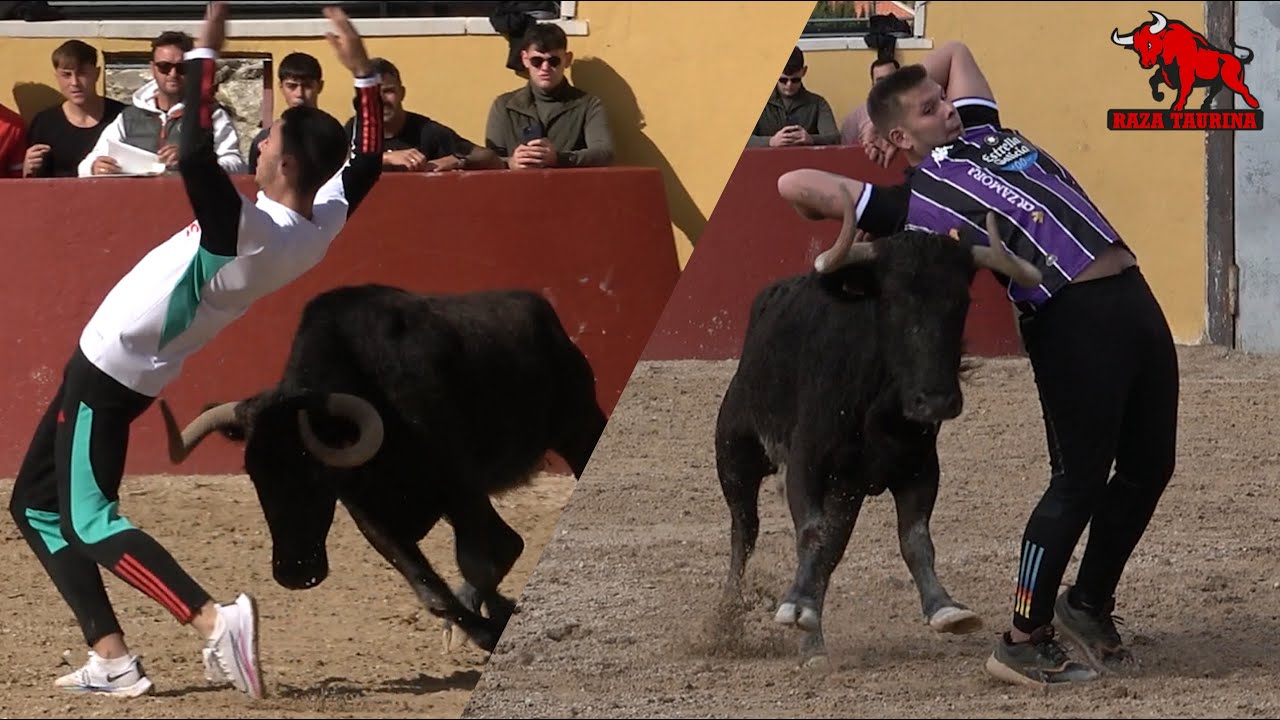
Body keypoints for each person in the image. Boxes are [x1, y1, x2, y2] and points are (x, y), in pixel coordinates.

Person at [7, 1, 384, 699]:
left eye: (269, 139)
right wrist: (362, 75)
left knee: (89, 521)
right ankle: (112, 658)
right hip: (117, 367)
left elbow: (204, 156)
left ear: (289, 162)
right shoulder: (313, 227)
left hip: (110, 372)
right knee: (33, 505)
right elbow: (368, 161)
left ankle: (214, 621)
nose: (261, 143)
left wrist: (210, 54)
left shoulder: (245, 230)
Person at [775, 40, 1179, 688]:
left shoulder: (984, 131)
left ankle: (1087, 603)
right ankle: (1022, 639)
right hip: (1067, 313)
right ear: (903, 133)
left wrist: (879, 110)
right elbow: (792, 183)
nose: (948, 108)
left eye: (943, 101)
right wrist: (866, 132)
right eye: (931, 109)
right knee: (1077, 479)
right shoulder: (911, 202)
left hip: (1129, 291)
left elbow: (954, 50)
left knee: (1149, 465)